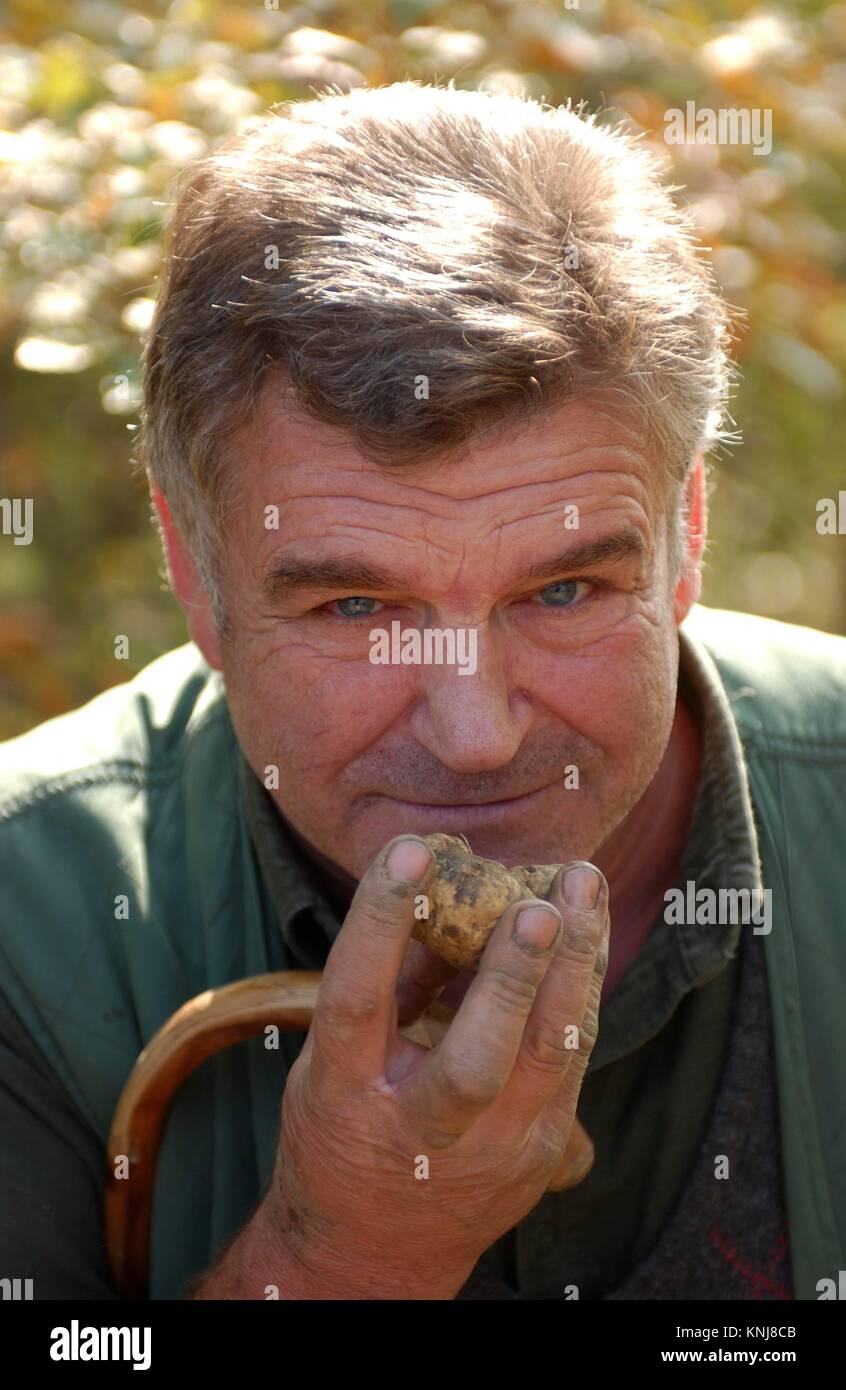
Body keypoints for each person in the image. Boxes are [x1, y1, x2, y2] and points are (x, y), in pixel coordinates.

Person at [1, 82, 844, 1302]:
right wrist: (345, 1253)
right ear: (198, 578)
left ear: (685, 540)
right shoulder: (31, 923)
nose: (474, 735)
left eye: (561, 592)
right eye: (357, 608)